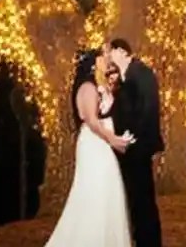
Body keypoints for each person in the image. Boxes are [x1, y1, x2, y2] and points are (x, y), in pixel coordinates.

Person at [43, 49, 134, 247]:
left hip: (101, 144)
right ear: (94, 64)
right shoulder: (87, 88)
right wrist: (112, 139)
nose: (107, 62)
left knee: (108, 189)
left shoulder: (100, 86)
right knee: (95, 190)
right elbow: (92, 121)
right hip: (94, 145)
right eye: (103, 59)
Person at [105, 37, 164, 247]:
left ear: (121, 51)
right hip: (131, 150)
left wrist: (133, 140)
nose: (108, 57)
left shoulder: (141, 73)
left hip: (139, 148)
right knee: (136, 200)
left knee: (143, 200)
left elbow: (147, 110)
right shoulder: (126, 76)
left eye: (110, 52)